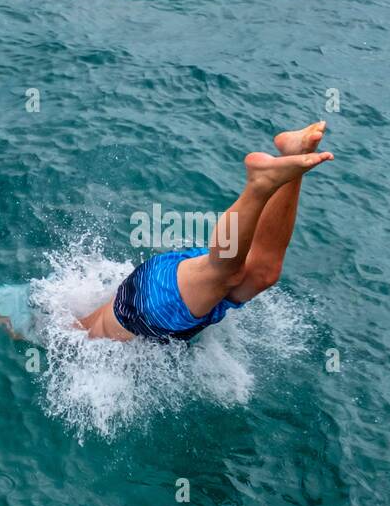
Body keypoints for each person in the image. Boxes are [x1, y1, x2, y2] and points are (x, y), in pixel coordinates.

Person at [78, 121, 333, 342]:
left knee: (222, 273)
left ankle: (258, 185)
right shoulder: (89, 326)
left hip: (148, 309)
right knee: (263, 273)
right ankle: (294, 155)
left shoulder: (83, 341)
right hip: (159, 298)